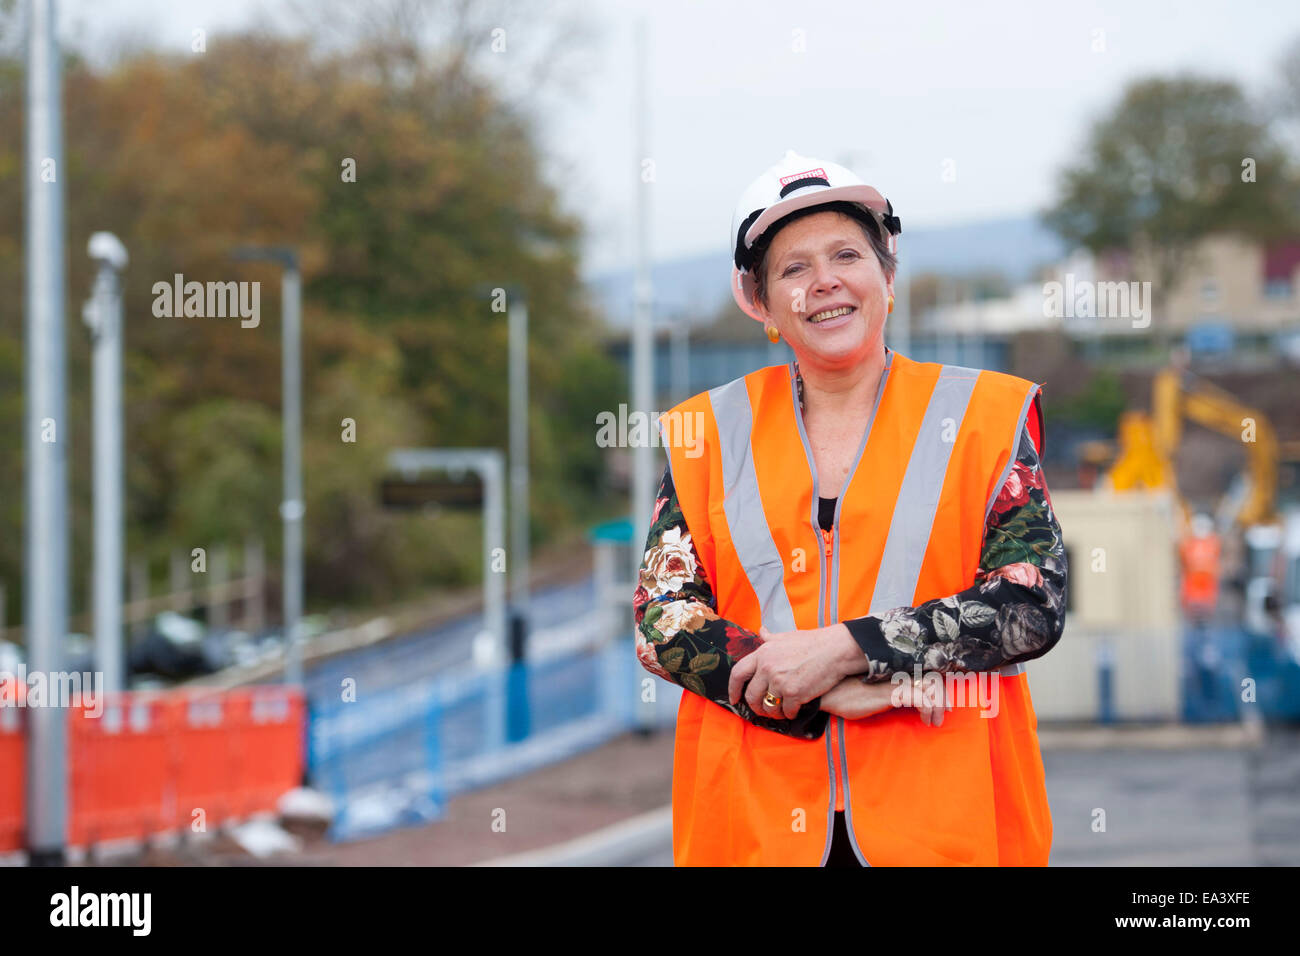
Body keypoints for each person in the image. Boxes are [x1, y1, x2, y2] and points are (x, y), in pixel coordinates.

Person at [633, 150, 1068, 866]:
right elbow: (663, 620)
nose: (825, 281)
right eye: (793, 269)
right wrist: (825, 694)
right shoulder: (707, 433)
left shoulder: (984, 416)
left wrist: (851, 651)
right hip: (752, 826)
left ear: (887, 278)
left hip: (946, 824)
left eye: (846, 255)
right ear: (762, 305)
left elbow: (1032, 601)